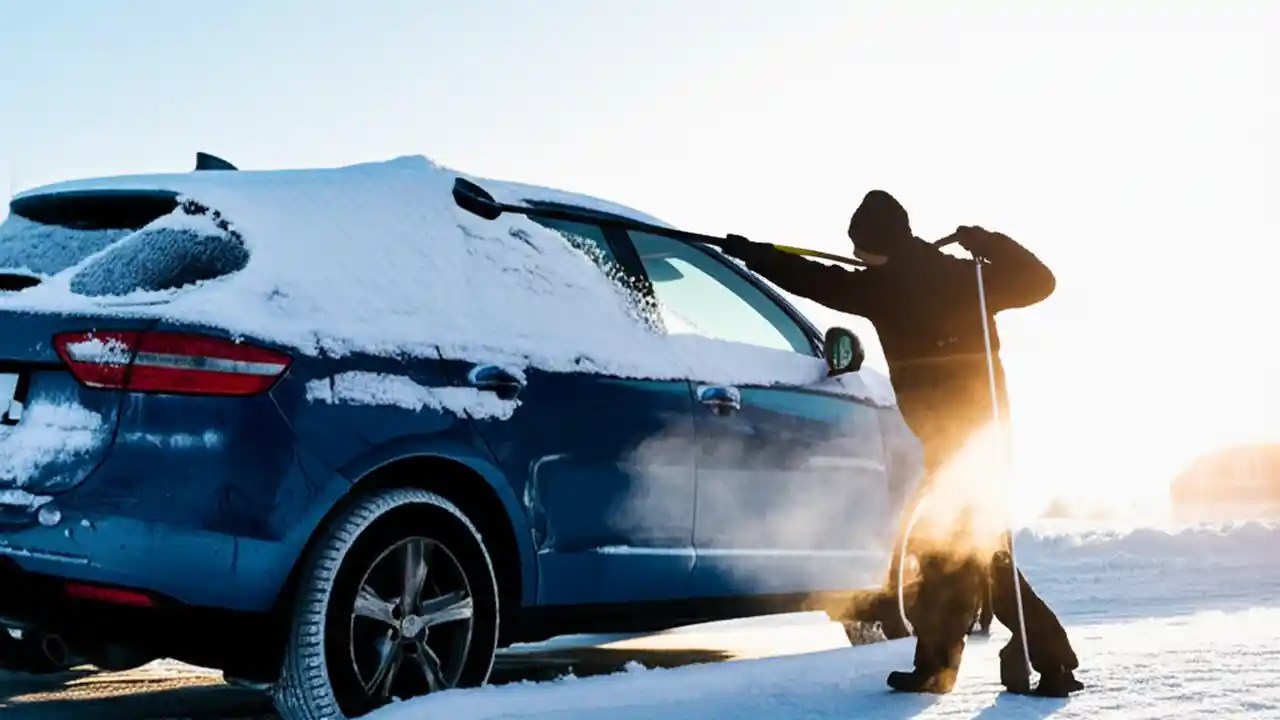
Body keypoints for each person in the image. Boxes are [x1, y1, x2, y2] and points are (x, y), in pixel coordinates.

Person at [717, 190, 1083, 698]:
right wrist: (988, 243)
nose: (859, 257)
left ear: (878, 247)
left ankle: (1046, 660)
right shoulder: (967, 276)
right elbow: (1039, 279)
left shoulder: (886, 288)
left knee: (976, 553)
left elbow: (813, 279)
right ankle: (944, 666)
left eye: (863, 248)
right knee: (953, 552)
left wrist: (754, 255)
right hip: (984, 434)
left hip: (967, 442)